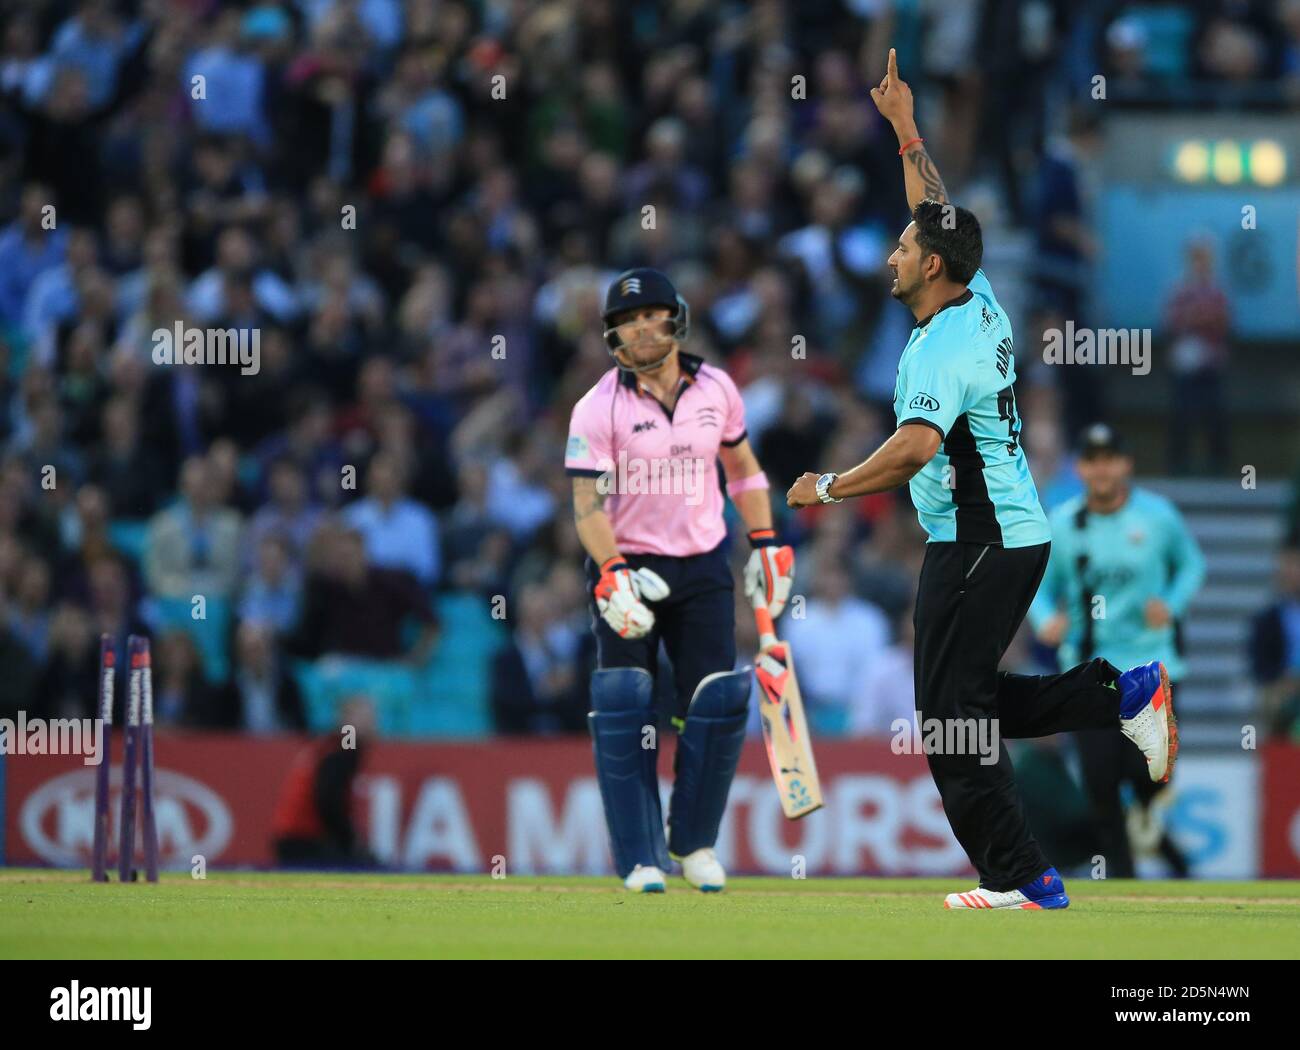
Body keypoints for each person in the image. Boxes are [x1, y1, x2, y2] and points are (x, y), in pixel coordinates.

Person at [785, 50, 1176, 910]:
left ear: (930, 269)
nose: (893, 251)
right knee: (970, 704)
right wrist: (903, 127)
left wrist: (829, 487)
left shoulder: (949, 351)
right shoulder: (975, 288)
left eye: (901, 246)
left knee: (951, 720)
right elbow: (935, 204)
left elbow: (914, 450)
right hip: (1001, 533)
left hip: (981, 540)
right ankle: (1121, 693)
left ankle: (1018, 872)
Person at [564, 266, 794, 893]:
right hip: (628, 561)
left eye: (649, 315)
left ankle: (692, 844)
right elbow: (587, 507)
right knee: (624, 702)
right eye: (625, 321)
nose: (639, 328)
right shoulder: (596, 407)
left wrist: (766, 543)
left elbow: (742, 469)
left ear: (675, 318)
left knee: (715, 705)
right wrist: (612, 576)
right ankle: (640, 857)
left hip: (702, 564)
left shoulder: (717, 387)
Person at [1029, 424, 1205, 878]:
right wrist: (1046, 619)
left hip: (1150, 664)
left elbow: (1191, 564)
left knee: (1147, 773)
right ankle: (1126, 883)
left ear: (1125, 464)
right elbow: (1038, 585)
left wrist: (1172, 603)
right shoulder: (1064, 523)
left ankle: (1154, 830)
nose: (1102, 468)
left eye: (1110, 459)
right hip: (1088, 669)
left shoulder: (1157, 517)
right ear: (1081, 468)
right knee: (1100, 782)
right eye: (1092, 460)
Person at [272, 696, 379, 868]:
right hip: (305, 839)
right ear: (346, 720)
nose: (372, 723)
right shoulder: (345, 747)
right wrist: (348, 840)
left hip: (290, 835)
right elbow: (329, 798)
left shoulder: (331, 743)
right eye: (366, 717)